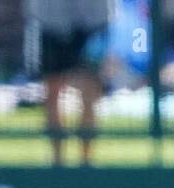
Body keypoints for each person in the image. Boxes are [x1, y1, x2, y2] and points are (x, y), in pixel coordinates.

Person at [32, 0, 113, 166]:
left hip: (93, 21)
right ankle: (57, 162)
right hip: (52, 20)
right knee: (52, 92)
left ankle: (86, 162)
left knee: (89, 91)